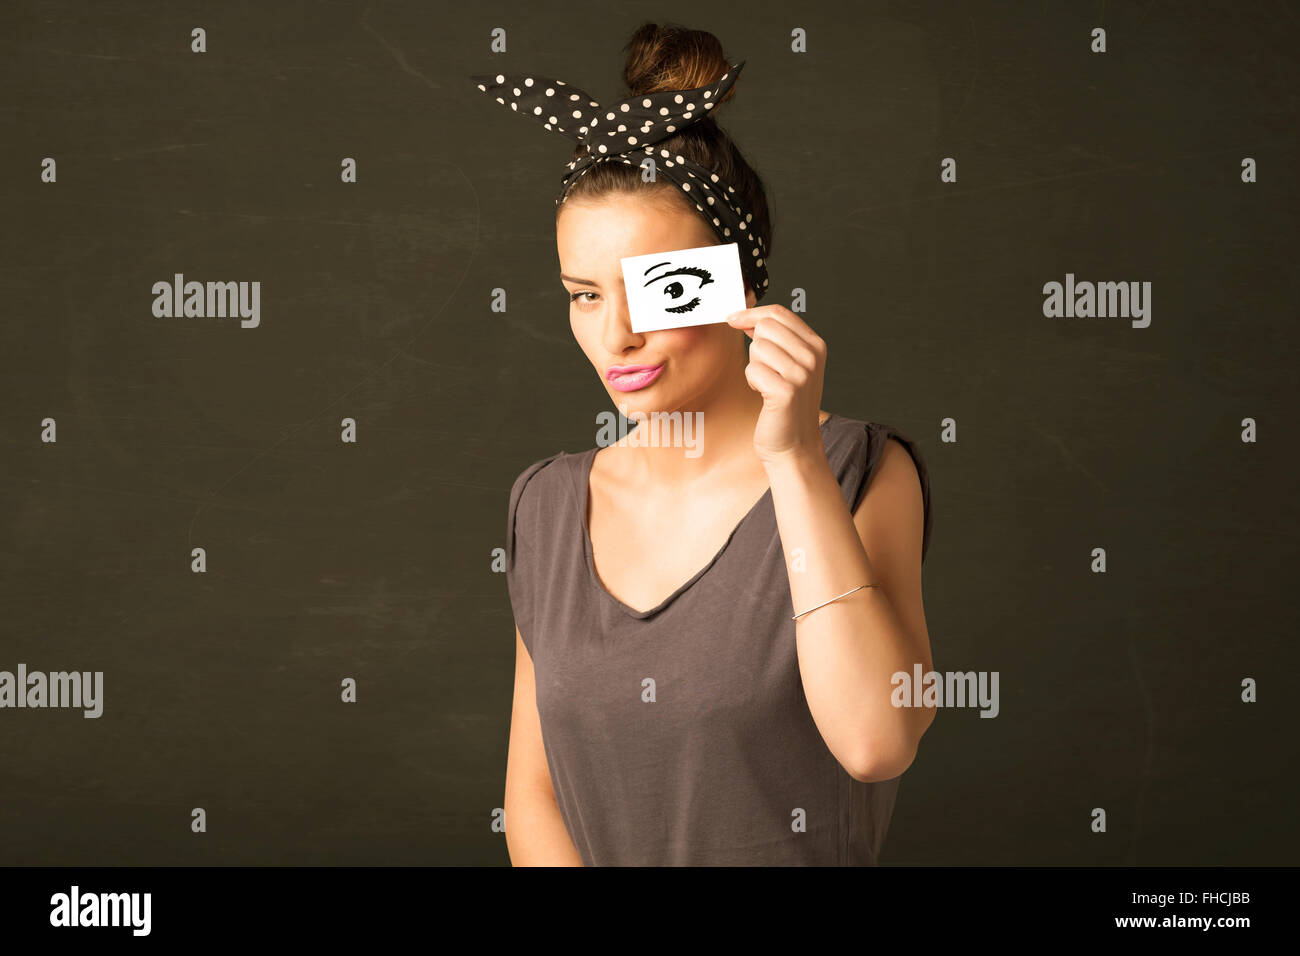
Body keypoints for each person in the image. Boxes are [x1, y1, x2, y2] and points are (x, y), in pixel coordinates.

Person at [476, 22, 935, 865]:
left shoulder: (862, 471)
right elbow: (533, 797)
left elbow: (877, 742)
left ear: (742, 287)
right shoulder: (544, 504)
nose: (616, 337)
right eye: (582, 295)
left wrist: (793, 461)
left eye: (656, 292)